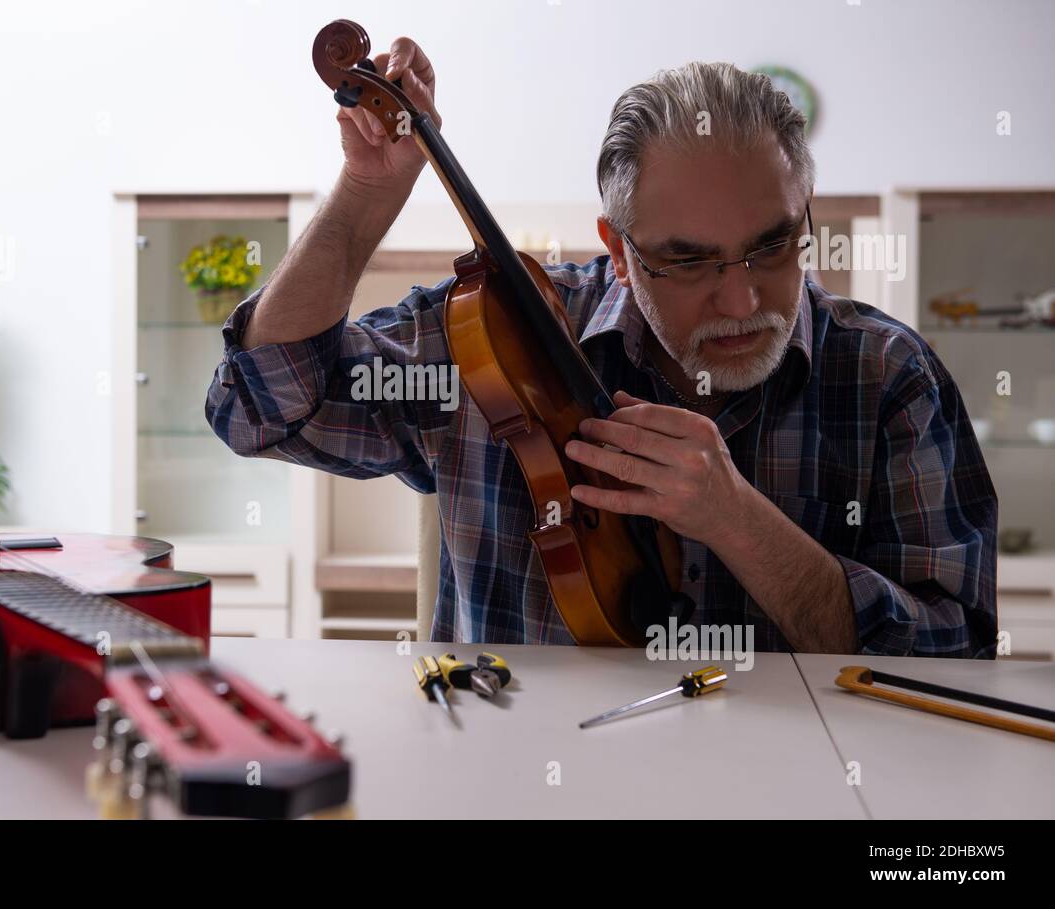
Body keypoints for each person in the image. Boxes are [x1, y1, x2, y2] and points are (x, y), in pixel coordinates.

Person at [205, 37, 998, 656]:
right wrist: (367, 193)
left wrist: (737, 521)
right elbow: (264, 405)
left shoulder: (888, 374)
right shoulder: (500, 335)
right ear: (615, 250)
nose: (743, 297)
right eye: (688, 259)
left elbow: (956, 651)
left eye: (773, 244)